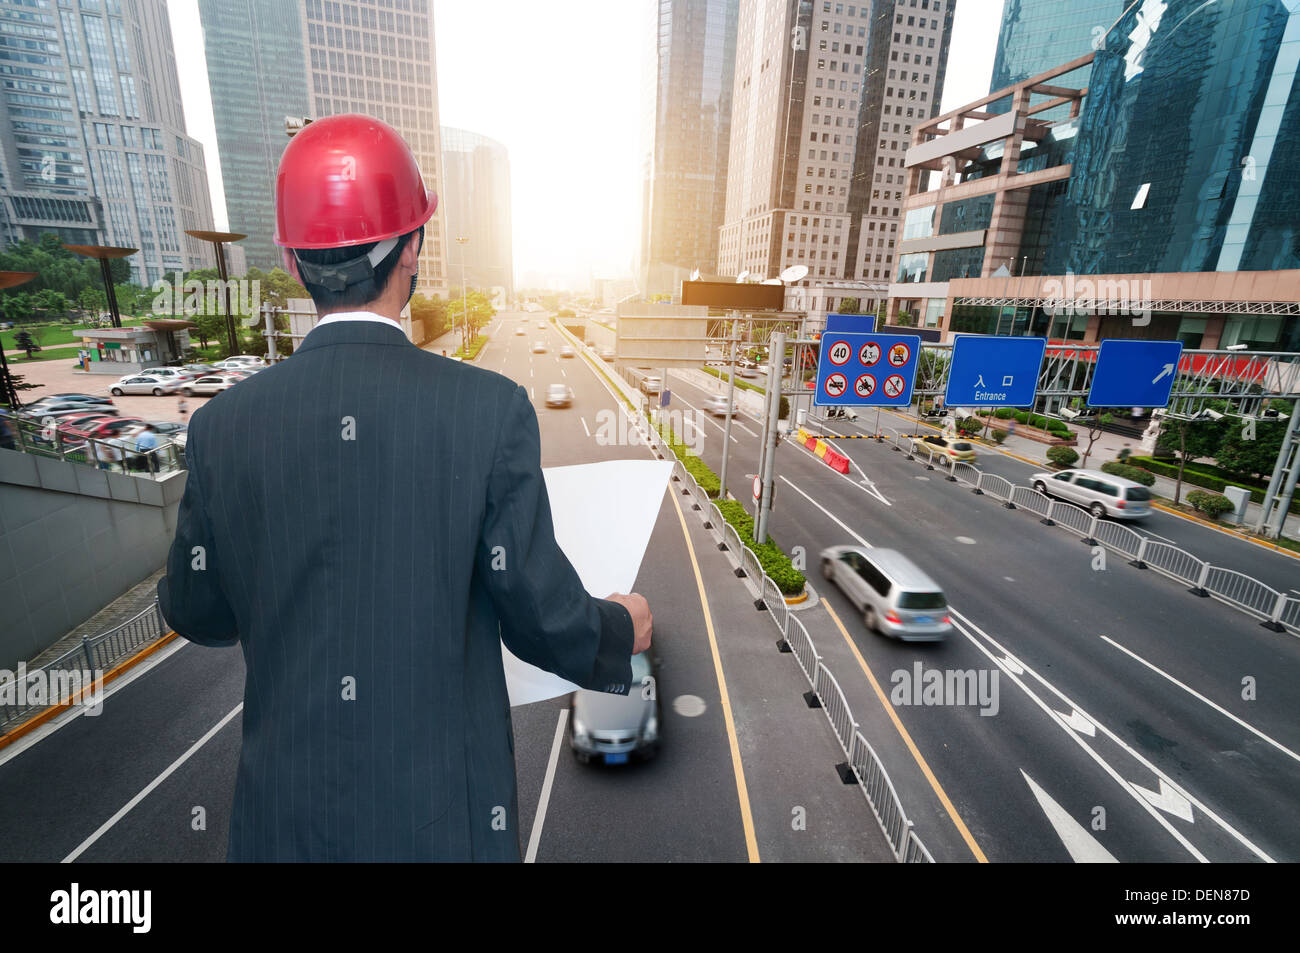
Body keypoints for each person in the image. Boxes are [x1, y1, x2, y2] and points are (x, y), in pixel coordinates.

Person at [157, 114, 652, 863]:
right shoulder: (487, 412)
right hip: (445, 830)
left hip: (281, 834)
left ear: (291, 262)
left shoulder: (222, 429)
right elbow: (538, 618)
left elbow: (195, 609)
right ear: (413, 246)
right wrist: (620, 629)